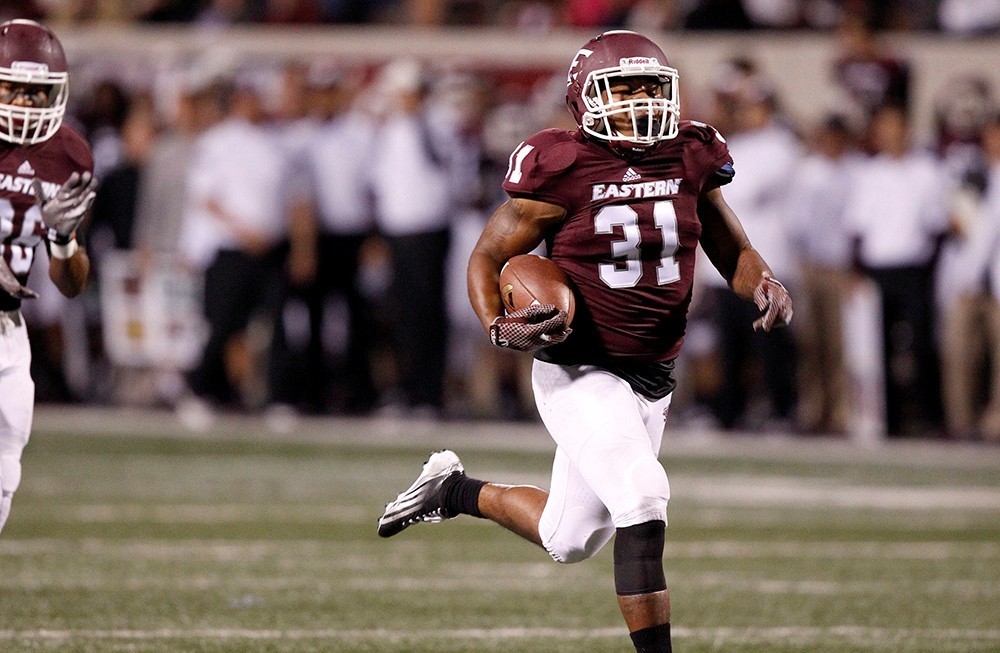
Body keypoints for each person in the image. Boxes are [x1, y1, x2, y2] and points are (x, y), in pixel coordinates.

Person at [377, 30, 793, 653]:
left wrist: (763, 282)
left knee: (568, 539)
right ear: (585, 97)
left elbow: (730, 245)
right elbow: (488, 256)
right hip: (580, 367)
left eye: (649, 87)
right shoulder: (564, 163)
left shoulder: (690, 153)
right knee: (643, 495)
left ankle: (450, 490)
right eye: (623, 89)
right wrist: (496, 325)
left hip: (653, 373)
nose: (640, 101)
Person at [0, 19, 96, 535]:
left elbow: (72, 283)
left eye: (36, 92)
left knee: (3, 476)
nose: (24, 103)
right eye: (11, 88)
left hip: (7, 327)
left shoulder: (69, 155)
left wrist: (63, 239)